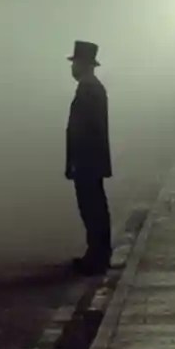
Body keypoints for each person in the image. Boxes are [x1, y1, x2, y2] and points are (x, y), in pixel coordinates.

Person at [65, 40, 113, 275]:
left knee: (91, 207)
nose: (72, 68)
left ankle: (97, 255)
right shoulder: (92, 88)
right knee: (94, 206)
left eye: (75, 63)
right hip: (90, 158)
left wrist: (77, 160)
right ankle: (97, 253)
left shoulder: (89, 90)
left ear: (84, 65)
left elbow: (83, 128)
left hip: (87, 159)